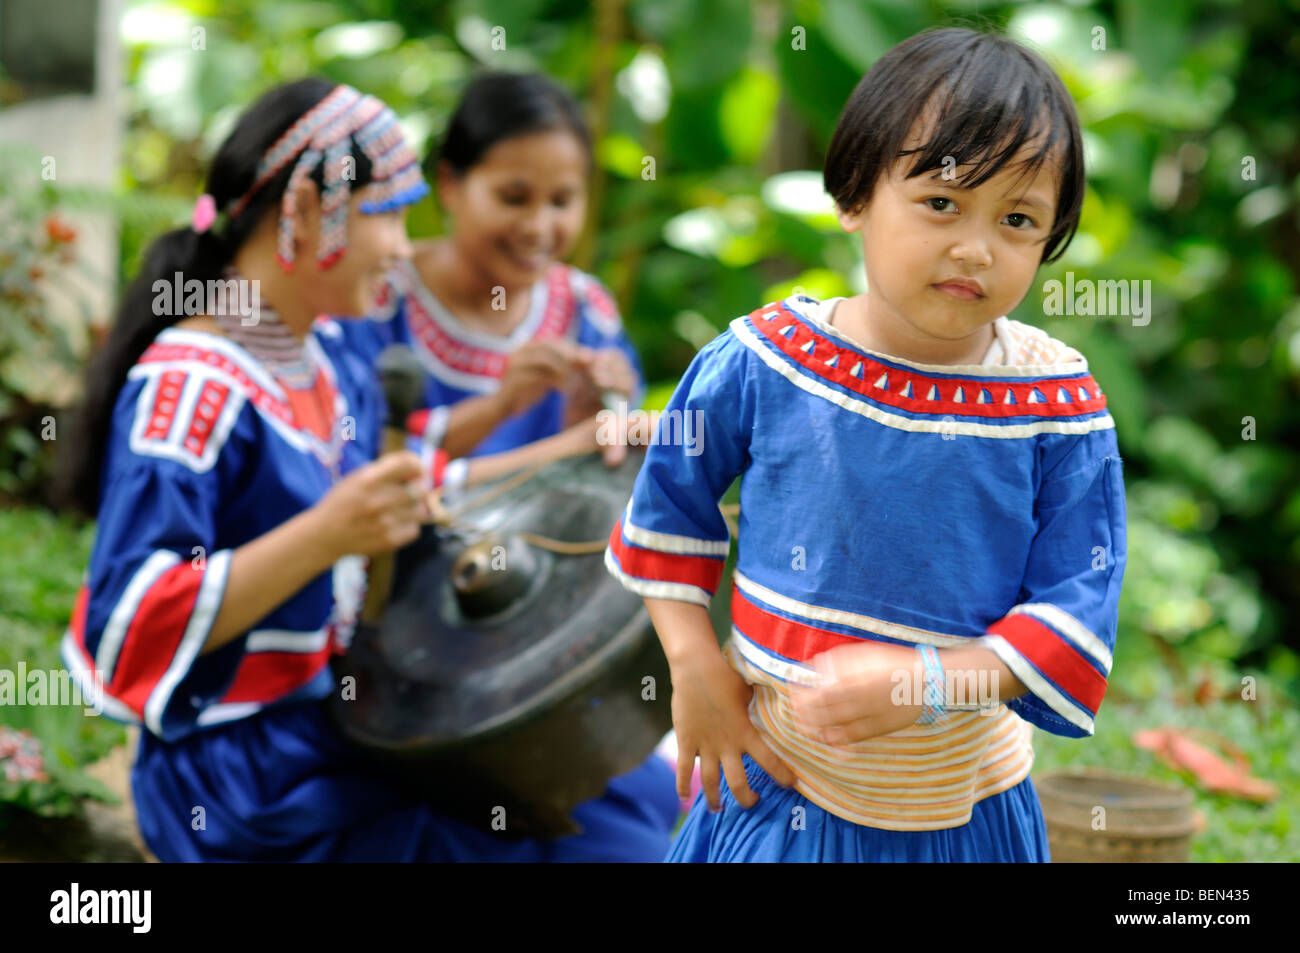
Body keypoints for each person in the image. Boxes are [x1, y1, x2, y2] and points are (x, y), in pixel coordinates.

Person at [55, 78, 657, 862]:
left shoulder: (319, 360)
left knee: (623, 796)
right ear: (306, 212)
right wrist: (325, 534)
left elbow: (413, 483)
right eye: (391, 215)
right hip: (244, 776)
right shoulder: (190, 388)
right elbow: (122, 631)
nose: (406, 246)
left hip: (332, 727)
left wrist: (571, 446)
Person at [604, 27, 1128, 862]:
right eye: (941, 202)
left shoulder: (1055, 406)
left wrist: (929, 679)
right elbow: (667, 510)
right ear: (853, 197)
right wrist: (695, 667)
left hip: (969, 818)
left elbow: (1076, 612)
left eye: (1018, 218)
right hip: (777, 790)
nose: (975, 246)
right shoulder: (764, 361)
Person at [339, 72, 681, 850]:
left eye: (563, 201)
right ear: (450, 184)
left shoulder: (586, 309)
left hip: (546, 652)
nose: (540, 225)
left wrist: (593, 423)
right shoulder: (375, 297)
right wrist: (509, 415)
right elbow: (365, 474)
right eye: (514, 196)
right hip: (402, 647)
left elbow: (606, 492)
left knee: (630, 822)